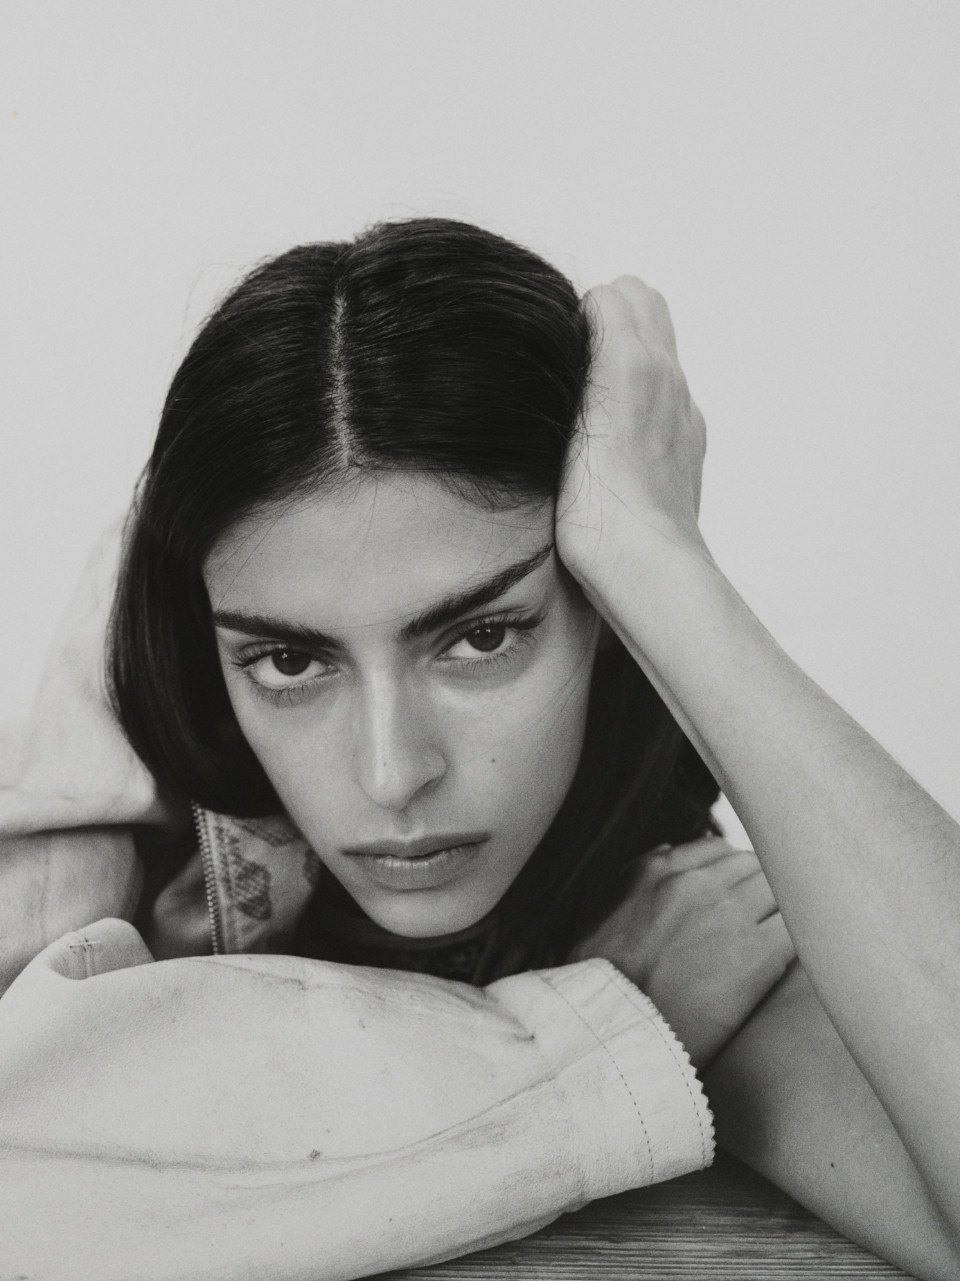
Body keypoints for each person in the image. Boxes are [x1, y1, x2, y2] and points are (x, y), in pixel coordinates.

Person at [0, 218, 957, 1280]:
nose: (391, 773)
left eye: (483, 638)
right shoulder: (112, 840)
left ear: (603, 615)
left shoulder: (691, 923)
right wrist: (599, 1025)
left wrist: (663, 562)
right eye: (289, 660)